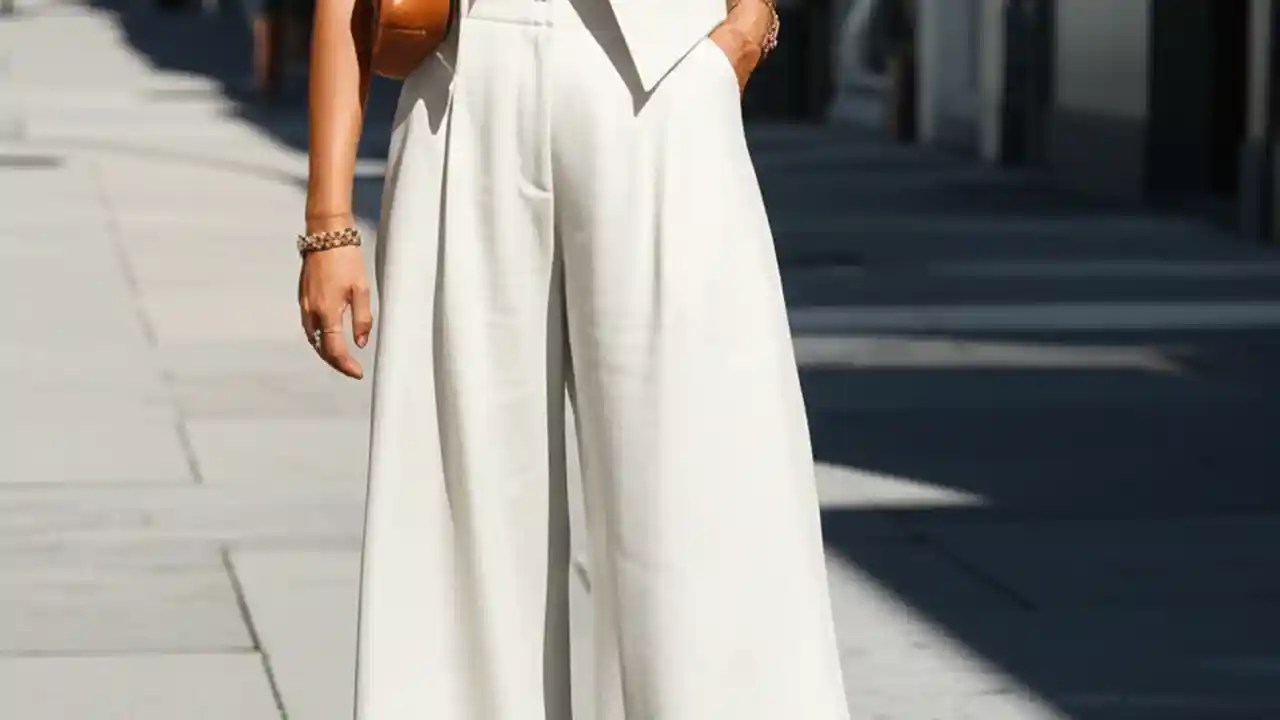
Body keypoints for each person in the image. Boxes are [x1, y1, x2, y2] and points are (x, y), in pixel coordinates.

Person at [298, 0, 852, 716]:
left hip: (668, 77)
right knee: (453, 523)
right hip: (464, 78)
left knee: (706, 502)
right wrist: (328, 220)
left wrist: (749, 23)